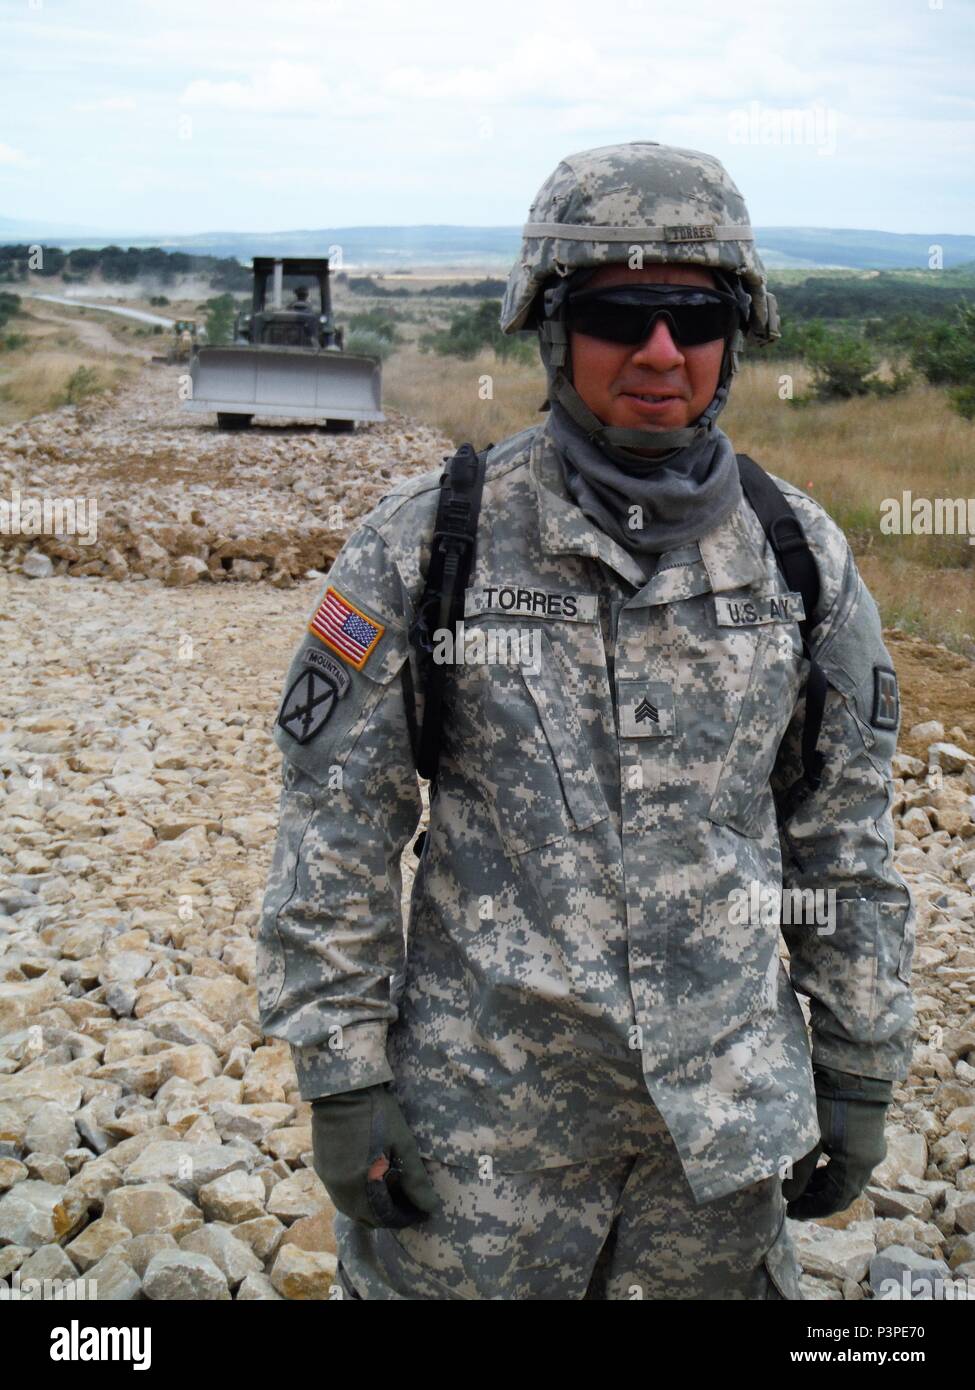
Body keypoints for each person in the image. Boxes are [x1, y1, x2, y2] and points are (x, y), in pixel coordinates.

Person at [256, 141, 916, 1300]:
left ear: (735, 330)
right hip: (483, 1143)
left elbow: (844, 842)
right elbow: (339, 824)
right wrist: (343, 1076)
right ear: (554, 328)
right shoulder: (430, 543)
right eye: (622, 313)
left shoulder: (800, 555)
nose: (663, 351)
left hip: (714, 1146)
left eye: (695, 314)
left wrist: (859, 1063)